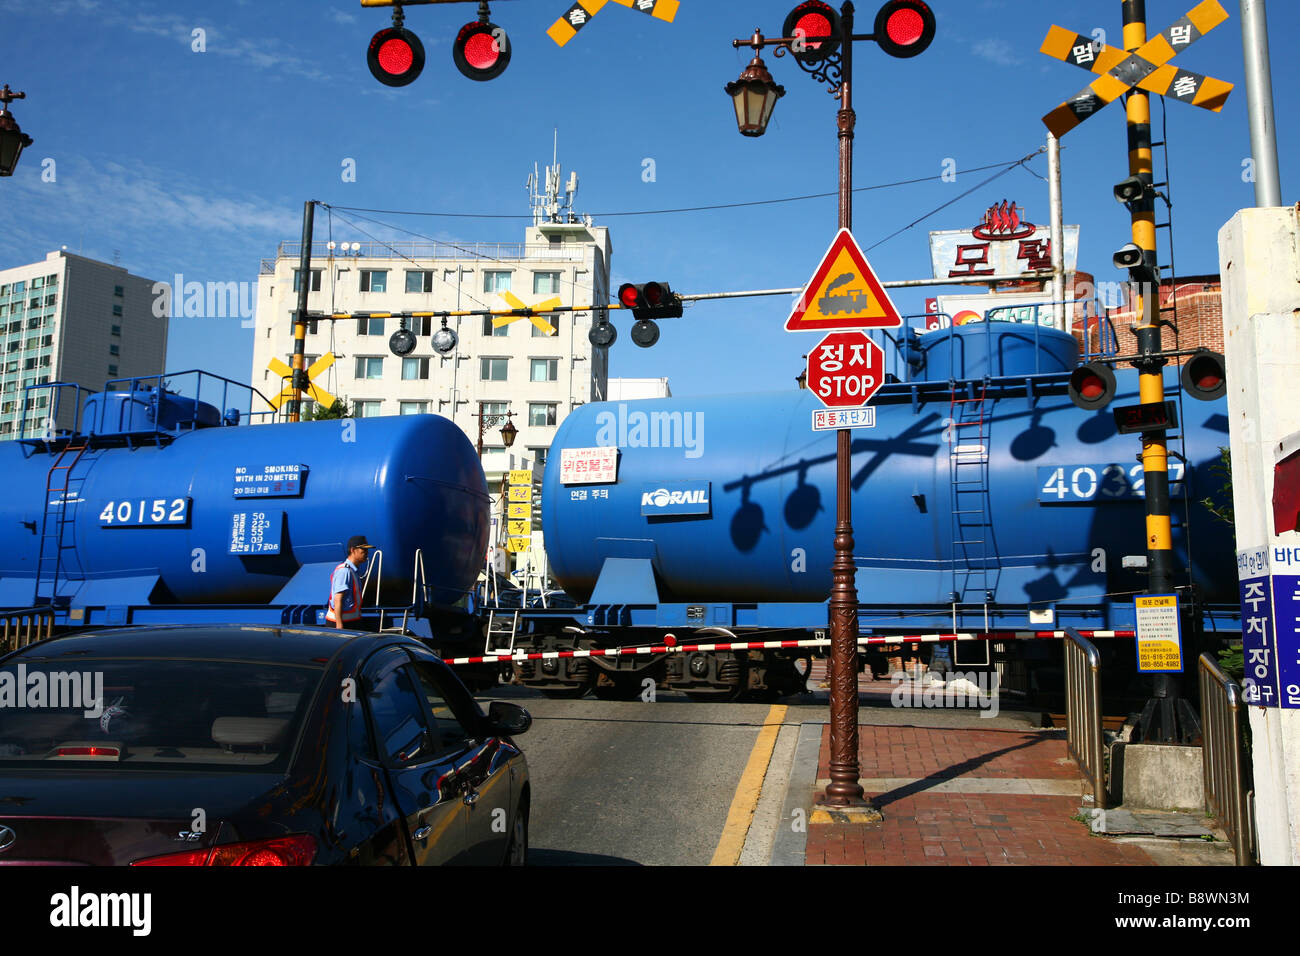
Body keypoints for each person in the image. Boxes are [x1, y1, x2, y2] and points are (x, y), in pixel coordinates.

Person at [327, 536, 376, 631]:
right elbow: (338, 599)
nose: (366, 553)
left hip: (352, 622)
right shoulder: (344, 571)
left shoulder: (352, 571)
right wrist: (339, 626)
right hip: (343, 624)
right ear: (353, 550)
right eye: (363, 550)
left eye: (367, 550)